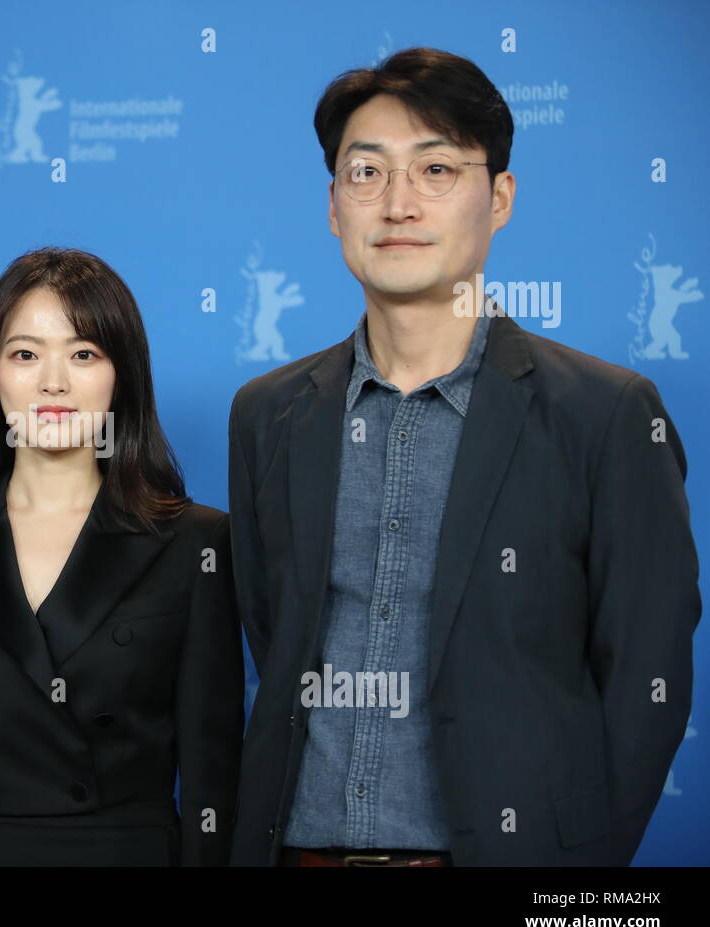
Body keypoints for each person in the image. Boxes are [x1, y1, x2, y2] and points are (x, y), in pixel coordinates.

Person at [227, 48, 699, 867]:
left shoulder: (604, 413)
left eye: (436, 169)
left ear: (501, 197)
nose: (398, 204)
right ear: (334, 207)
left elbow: (644, 682)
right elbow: (277, 632)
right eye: (365, 173)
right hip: (296, 850)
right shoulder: (270, 413)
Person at [0, 247, 244, 866]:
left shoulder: (196, 544)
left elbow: (212, 780)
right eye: (25, 354)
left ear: (122, 375)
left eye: (83, 354)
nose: (52, 382)